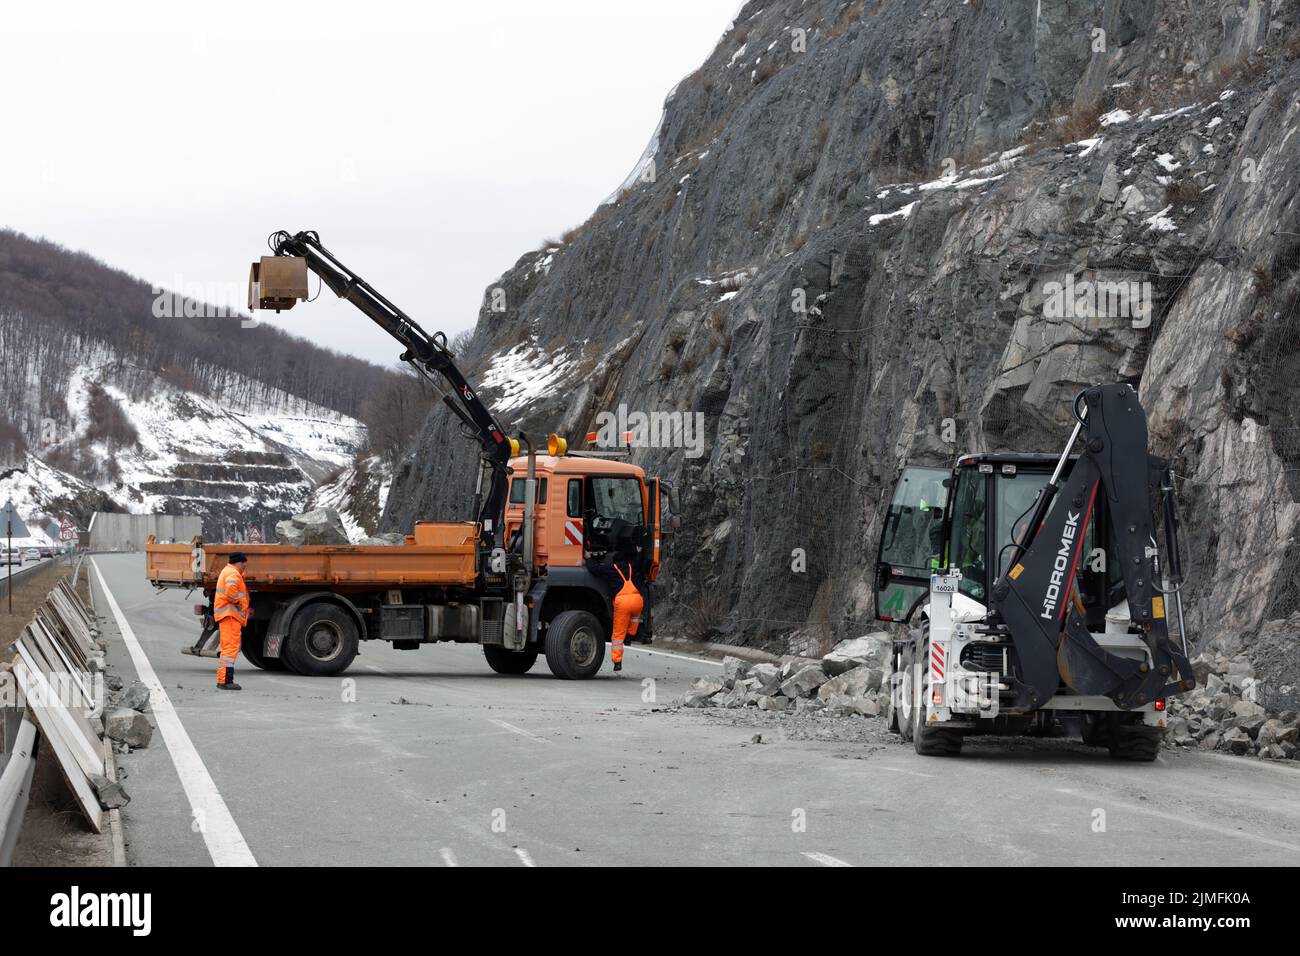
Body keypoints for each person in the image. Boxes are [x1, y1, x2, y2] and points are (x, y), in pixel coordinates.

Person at [213, 552, 251, 691]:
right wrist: (238, 602)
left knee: (228, 648)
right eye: (243, 563)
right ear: (237, 562)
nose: (245, 565)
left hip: (228, 616)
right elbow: (230, 591)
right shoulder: (233, 573)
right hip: (230, 616)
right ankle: (225, 681)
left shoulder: (229, 571)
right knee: (230, 648)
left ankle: (224, 680)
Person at [609, 561, 643, 673]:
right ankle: (629, 637)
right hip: (637, 600)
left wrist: (589, 560)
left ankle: (617, 662)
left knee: (618, 634)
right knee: (634, 619)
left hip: (623, 603)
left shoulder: (612, 569)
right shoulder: (632, 567)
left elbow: (594, 569)